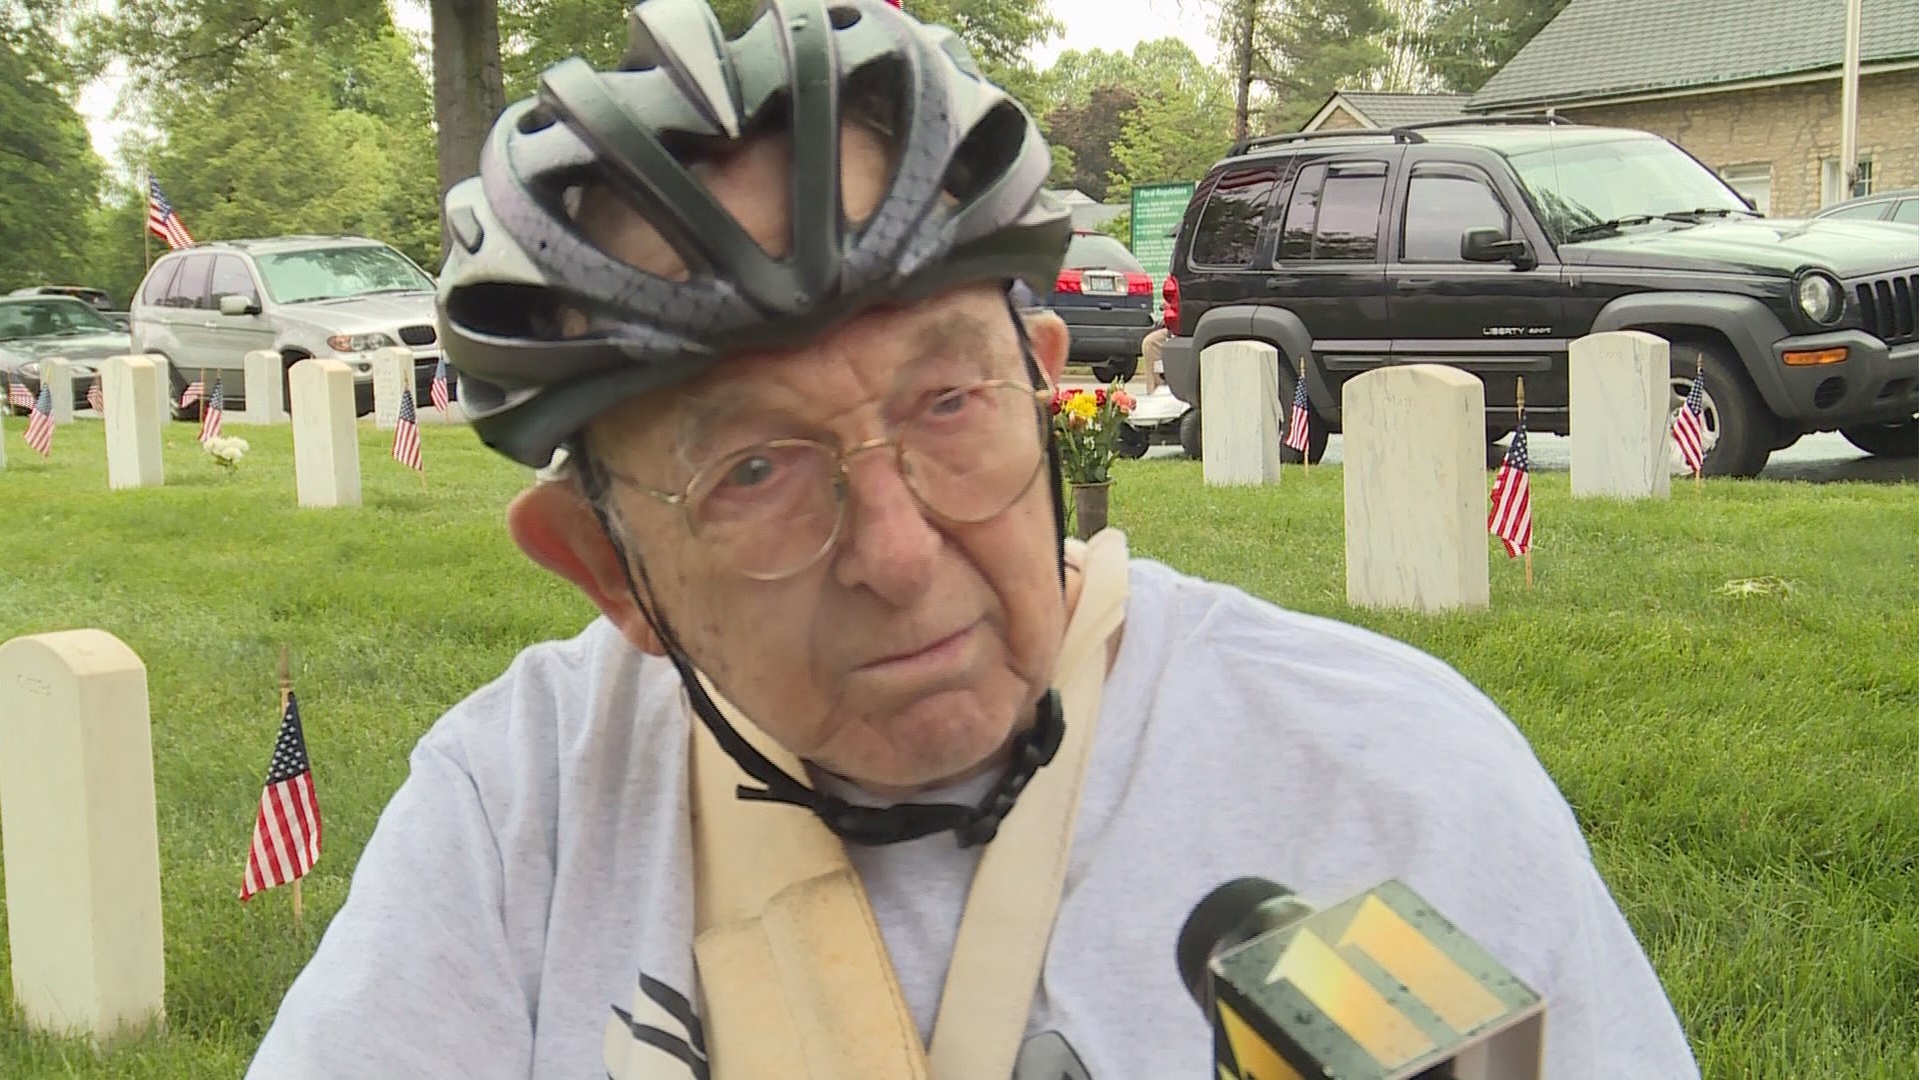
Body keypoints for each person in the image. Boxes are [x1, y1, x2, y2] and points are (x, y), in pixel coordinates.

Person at [246, 1, 1700, 1077]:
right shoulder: (521, 820)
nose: (895, 548)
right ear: (607, 568)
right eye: (754, 470)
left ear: (1052, 390)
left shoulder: (1387, 775)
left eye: (948, 401)